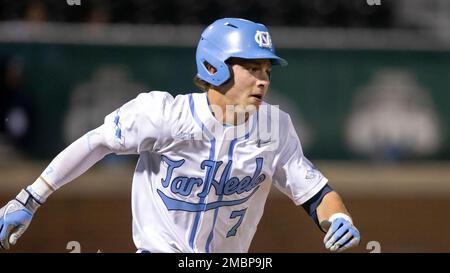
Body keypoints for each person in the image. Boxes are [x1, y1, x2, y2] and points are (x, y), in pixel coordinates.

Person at [0, 18, 360, 253]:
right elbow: (95, 143)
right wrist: (31, 199)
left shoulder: (275, 127)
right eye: (251, 67)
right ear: (213, 66)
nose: (263, 79)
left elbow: (316, 194)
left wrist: (338, 218)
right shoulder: (162, 114)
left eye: (266, 68)